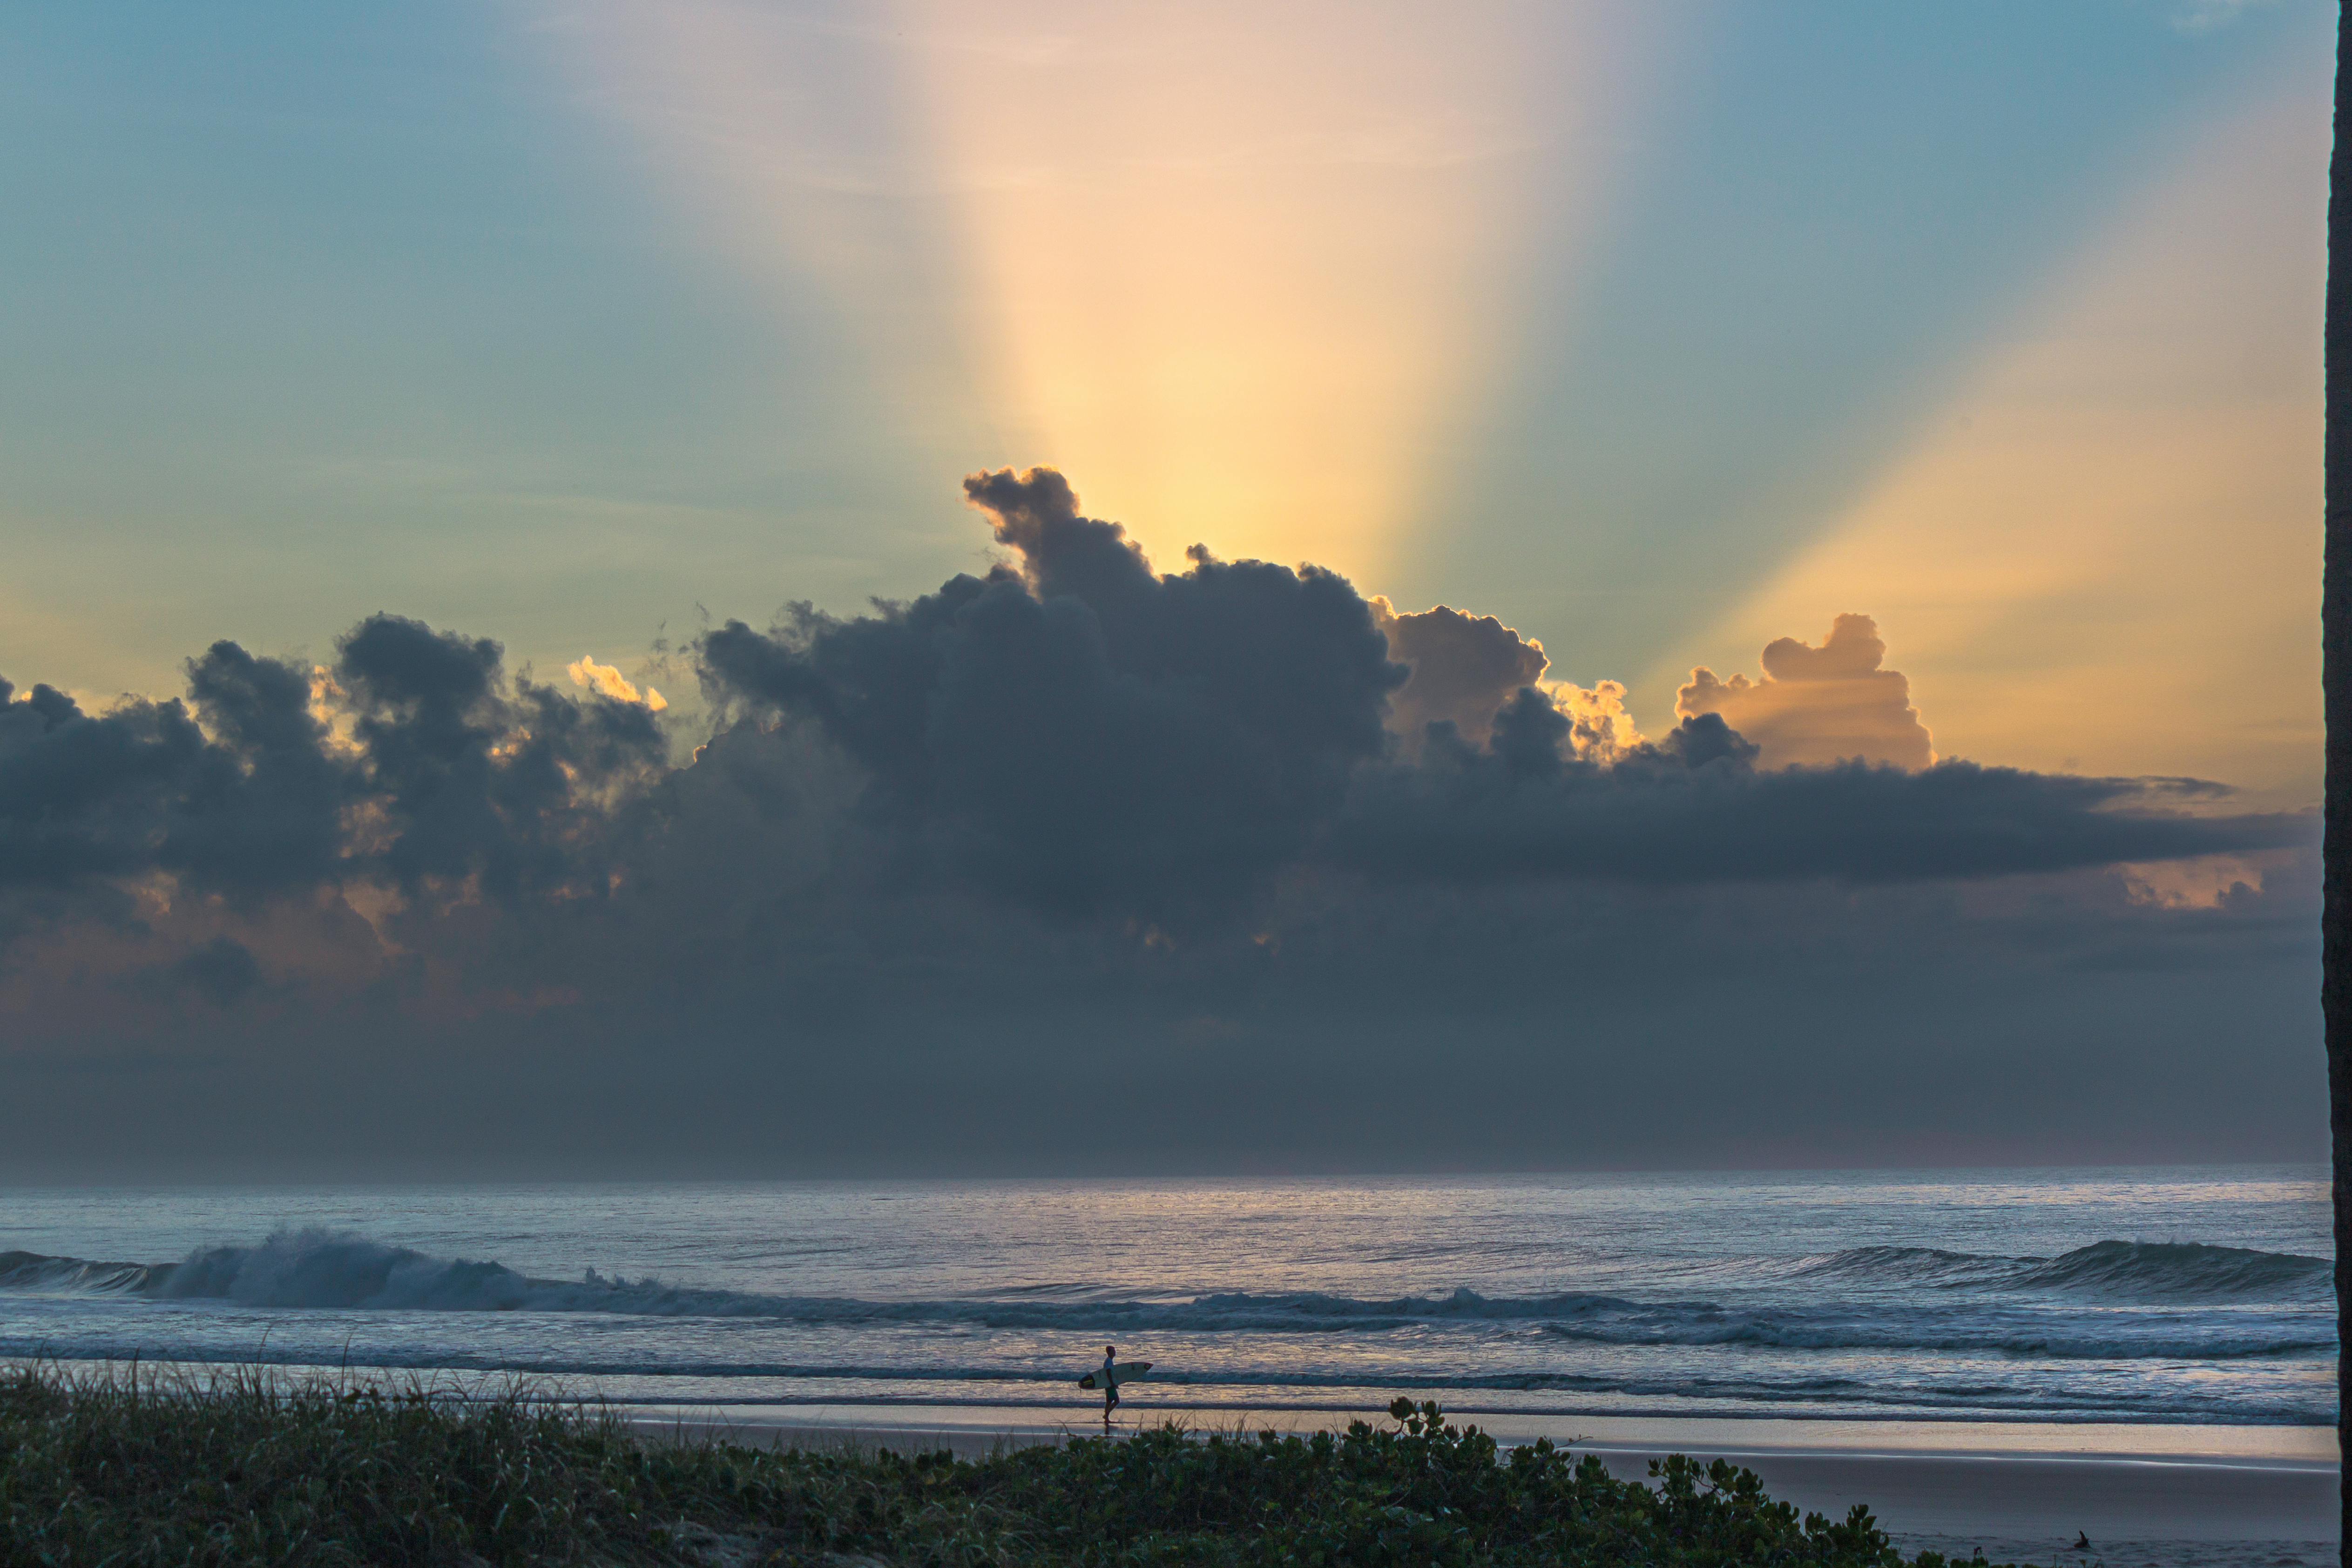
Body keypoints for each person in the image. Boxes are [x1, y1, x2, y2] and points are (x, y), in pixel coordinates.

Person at [1101, 1344, 1120, 1424]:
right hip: (1109, 1385)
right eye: (1113, 1351)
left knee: (1109, 1401)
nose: (1115, 1352)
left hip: (1108, 1384)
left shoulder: (1109, 1361)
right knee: (1117, 1401)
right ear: (1109, 1352)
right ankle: (1106, 1415)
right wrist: (1113, 1383)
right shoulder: (1109, 1361)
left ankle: (1107, 1418)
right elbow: (1108, 1373)